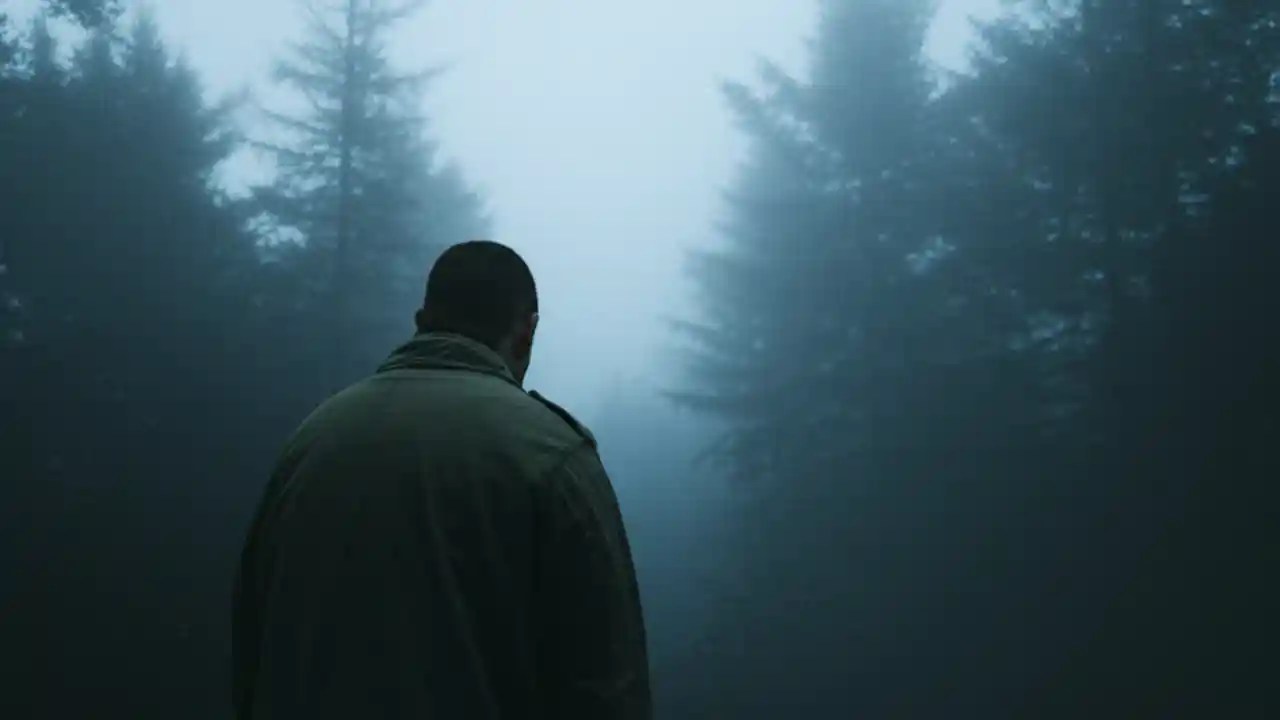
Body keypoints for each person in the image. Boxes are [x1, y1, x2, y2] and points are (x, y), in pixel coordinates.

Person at [232, 240, 652, 719]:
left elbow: (251, 639)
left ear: (422, 320)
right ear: (527, 331)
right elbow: (605, 681)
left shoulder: (312, 441)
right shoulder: (551, 454)